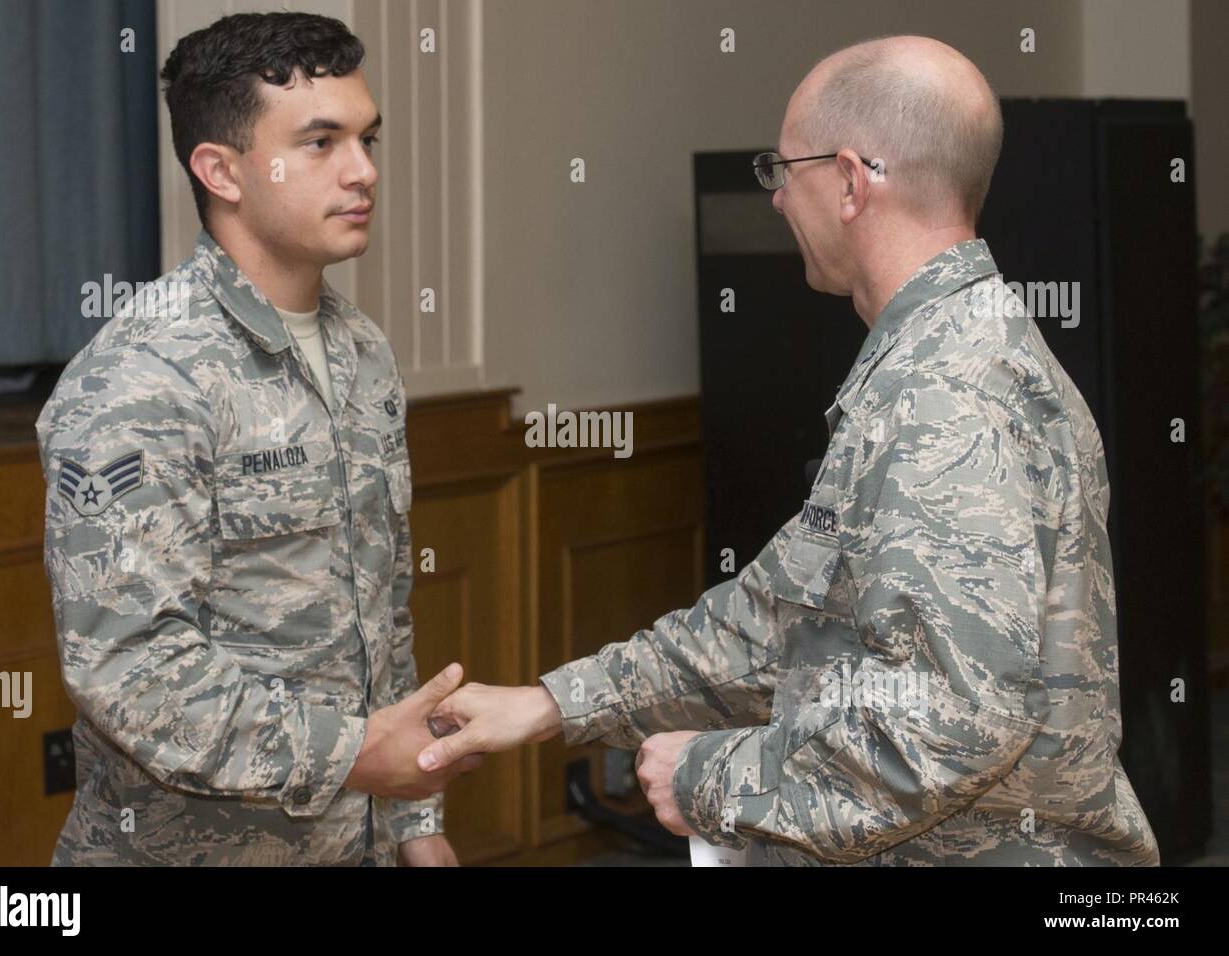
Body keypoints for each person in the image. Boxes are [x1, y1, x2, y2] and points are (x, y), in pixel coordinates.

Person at [415, 35, 1160, 866]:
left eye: (781, 168)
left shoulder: (947, 392)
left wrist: (708, 774)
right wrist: (552, 704)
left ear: (848, 180)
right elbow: (777, 618)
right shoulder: (934, 361)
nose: (773, 198)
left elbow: (950, 722)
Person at [37, 11, 475, 866]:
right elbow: (130, 673)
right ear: (221, 171)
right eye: (321, 143)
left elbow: (377, 615)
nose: (364, 171)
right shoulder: (141, 376)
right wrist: (350, 756)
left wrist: (415, 823)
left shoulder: (363, 353)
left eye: (367, 137)